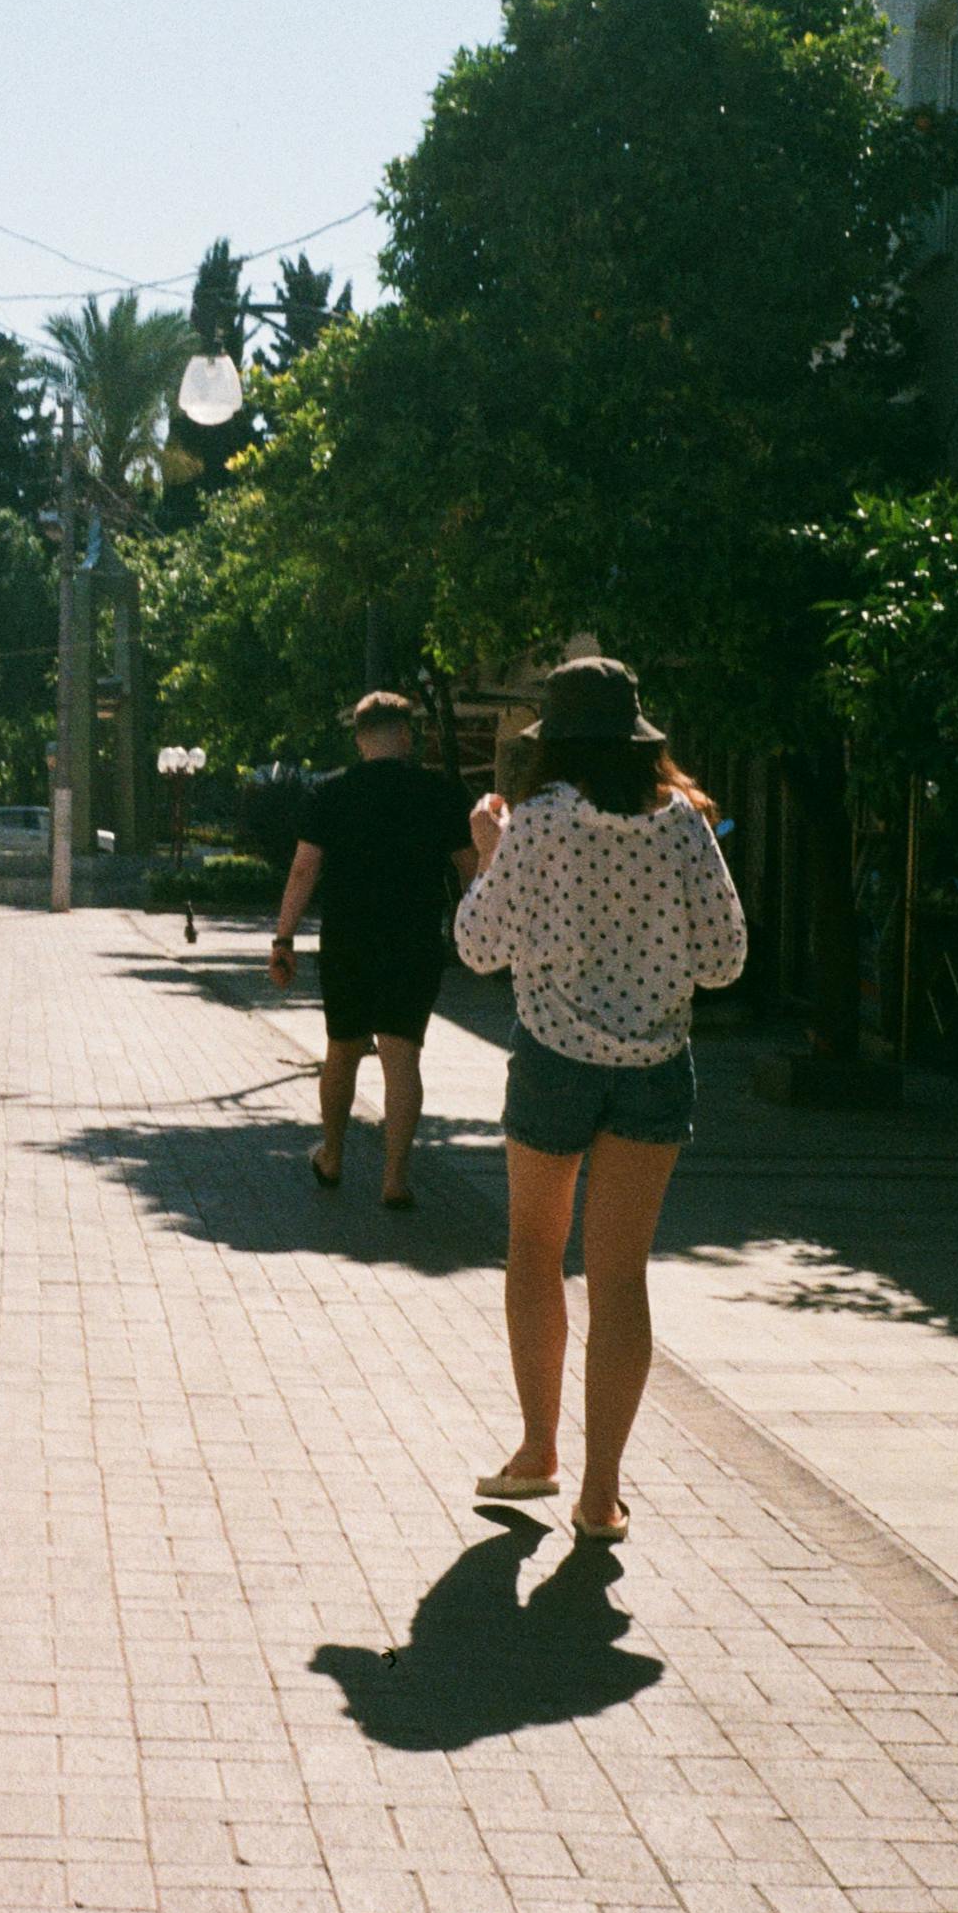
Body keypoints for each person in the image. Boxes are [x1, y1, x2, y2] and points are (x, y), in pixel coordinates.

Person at [452, 656, 745, 1543]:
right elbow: (727, 956)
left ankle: (538, 1450)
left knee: (535, 1251)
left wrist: (490, 851)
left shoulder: (534, 825)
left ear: (556, 744)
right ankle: (598, 1493)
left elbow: (475, 944)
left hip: (552, 1059)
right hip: (655, 1065)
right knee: (620, 1276)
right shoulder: (686, 828)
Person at [268, 692, 480, 1210]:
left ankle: (333, 1156)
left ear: (360, 739)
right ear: (406, 736)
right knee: (402, 1057)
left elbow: (303, 869)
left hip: (348, 940)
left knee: (342, 1050)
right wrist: (475, 932)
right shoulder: (440, 794)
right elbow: (471, 869)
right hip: (414, 941)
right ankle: (395, 1178)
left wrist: (283, 938)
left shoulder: (328, 794)